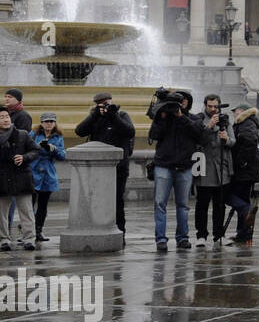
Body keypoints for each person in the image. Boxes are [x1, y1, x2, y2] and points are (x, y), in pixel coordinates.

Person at [75, 91, 136, 233]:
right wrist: (94, 115)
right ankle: (98, 226)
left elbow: (129, 132)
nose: (105, 106)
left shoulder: (121, 115)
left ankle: (120, 229)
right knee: (97, 199)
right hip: (97, 167)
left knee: (117, 200)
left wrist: (113, 116)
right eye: (101, 104)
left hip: (119, 167)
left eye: (107, 103)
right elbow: (79, 131)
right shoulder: (95, 117)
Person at [148, 89, 201, 251]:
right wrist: (162, 118)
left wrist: (180, 117)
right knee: (160, 204)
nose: (180, 104)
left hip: (184, 167)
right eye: (178, 101)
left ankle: (183, 238)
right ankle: (161, 240)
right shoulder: (164, 117)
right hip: (164, 165)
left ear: (188, 103)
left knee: (183, 205)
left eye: (184, 100)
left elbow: (199, 134)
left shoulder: (193, 118)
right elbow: (153, 136)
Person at [193, 94, 234, 247]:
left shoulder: (226, 119)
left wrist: (227, 139)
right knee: (202, 204)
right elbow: (197, 140)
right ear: (205, 105)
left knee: (220, 204)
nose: (212, 109)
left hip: (221, 168)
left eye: (215, 106)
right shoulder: (198, 119)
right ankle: (201, 235)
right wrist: (209, 126)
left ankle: (219, 234)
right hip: (204, 167)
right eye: (209, 106)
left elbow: (233, 141)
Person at [0, 109, 40, 251]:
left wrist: (24, 157)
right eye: (2, 117)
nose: (5, 119)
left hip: (22, 177)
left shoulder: (22, 134)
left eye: (7, 117)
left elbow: (35, 150)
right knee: (1, 212)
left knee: (26, 211)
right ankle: (4, 239)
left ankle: (29, 239)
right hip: (2, 178)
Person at [225, 103, 259, 246]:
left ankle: (246, 214)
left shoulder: (246, 122)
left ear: (243, 112)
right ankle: (243, 234)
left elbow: (250, 141)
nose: (234, 114)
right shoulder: (247, 122)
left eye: (236, 111)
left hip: (244, 171)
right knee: (242, 199)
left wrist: (241, 163)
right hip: (247, 171)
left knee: (226, 195)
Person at [29, 113, 66, 244]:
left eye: (51, 121)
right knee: (30, 204)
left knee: (43, 205)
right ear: (41, 123)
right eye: (46, 121)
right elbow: (26, 150)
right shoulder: (33, 134)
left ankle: (39, 230)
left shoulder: (58, 137)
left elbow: (63, 155)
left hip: (48, 173)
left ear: (55, 123)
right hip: (34, 170)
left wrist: (54, 149)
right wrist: (37, 147)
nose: (49, 124)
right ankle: (28, 231)